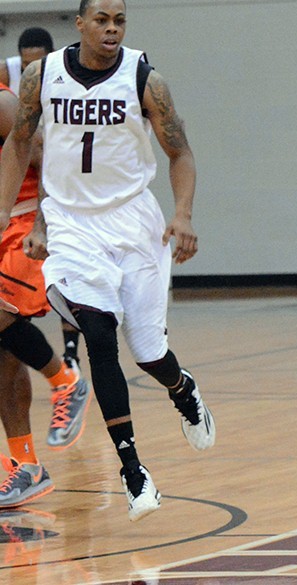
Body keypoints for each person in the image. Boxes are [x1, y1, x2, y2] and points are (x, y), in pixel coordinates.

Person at [0, 0, 216, 522]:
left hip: (133, 222)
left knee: (147, 353)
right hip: (74, 226)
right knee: (98, 333)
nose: (112, 28)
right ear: (79, 24)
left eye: (119, 20)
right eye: (102, 20)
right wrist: (5, 215)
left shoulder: (144, 77)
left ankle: (182, 388)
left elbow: (180, 152)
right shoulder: (41, 76)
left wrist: (182, 214)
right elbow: (19, 142)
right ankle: (133, 471)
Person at [0, 78, 92, 508]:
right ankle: (27, 468)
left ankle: (65, 380)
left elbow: (49, 161)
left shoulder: (1, 103)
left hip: (23, 224)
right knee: (4, 359)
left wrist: (42, 225)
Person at [0, 27, 85, 372]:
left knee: (66, 291)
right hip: (14, 207)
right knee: (8, 343)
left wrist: (43, 221)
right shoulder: (10, 75)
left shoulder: (67, 78)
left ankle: (68, 364)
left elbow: (49, 154)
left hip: (41, 205)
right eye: (26, 62)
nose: (30, 67)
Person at [0, 28, 54, 94]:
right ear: (20, 56)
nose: (32, 69)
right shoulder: (5, 72)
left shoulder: (62, 70)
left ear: (52, 55)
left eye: (38, 63)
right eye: (27, 64)